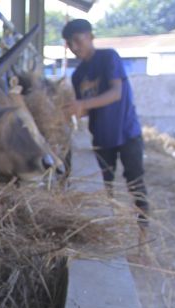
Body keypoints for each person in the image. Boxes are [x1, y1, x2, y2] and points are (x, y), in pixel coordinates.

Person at [62, 19, 149, 226]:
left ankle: (143, 235)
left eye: (77, 40)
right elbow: (84, 110)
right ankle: (109, 228)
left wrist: (81, 103)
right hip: (101, 137)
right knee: (103, 187)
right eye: (69, 43)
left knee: (136, 185)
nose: (74, 48)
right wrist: (66, 112)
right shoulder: (77, 75)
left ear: (91, 37)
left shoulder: (109, 57)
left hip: (127, 133)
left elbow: (116, 93)